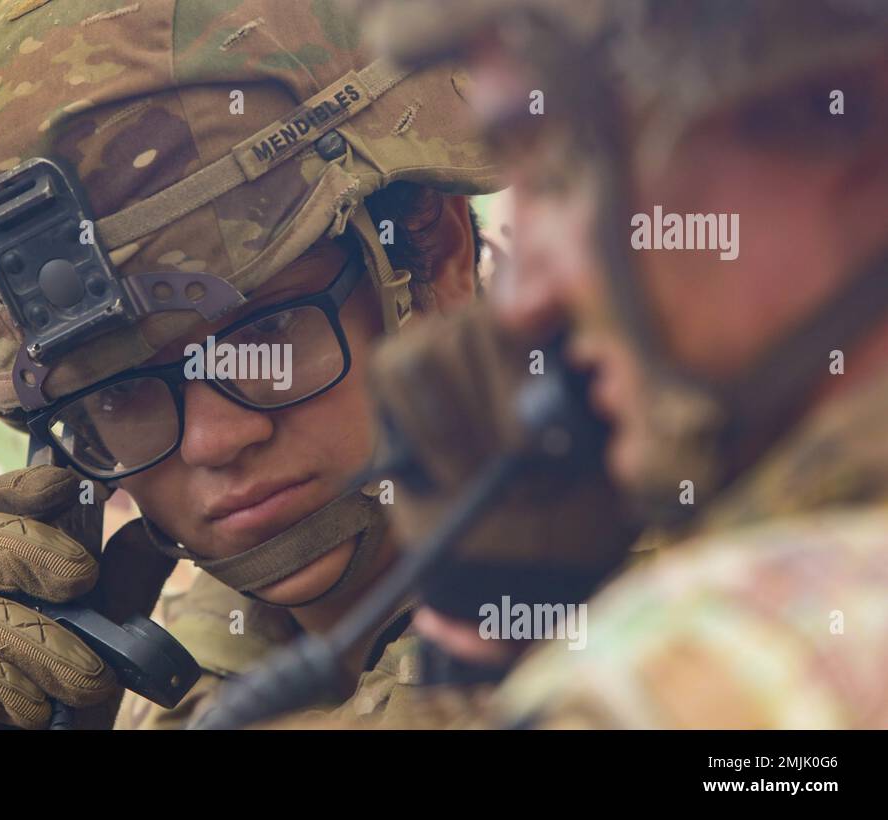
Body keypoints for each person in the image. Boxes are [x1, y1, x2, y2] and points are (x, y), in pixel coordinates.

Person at [0, 0, 545, 730]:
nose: (214, 440)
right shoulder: (154, 703)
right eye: (118, 393)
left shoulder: (660, 613)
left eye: (269, 332)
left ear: (435, 260)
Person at [365, 0, 888, 728]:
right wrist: (490, 642)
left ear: (838, 116)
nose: (522, 299)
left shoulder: (696, 684)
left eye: (556, 172)